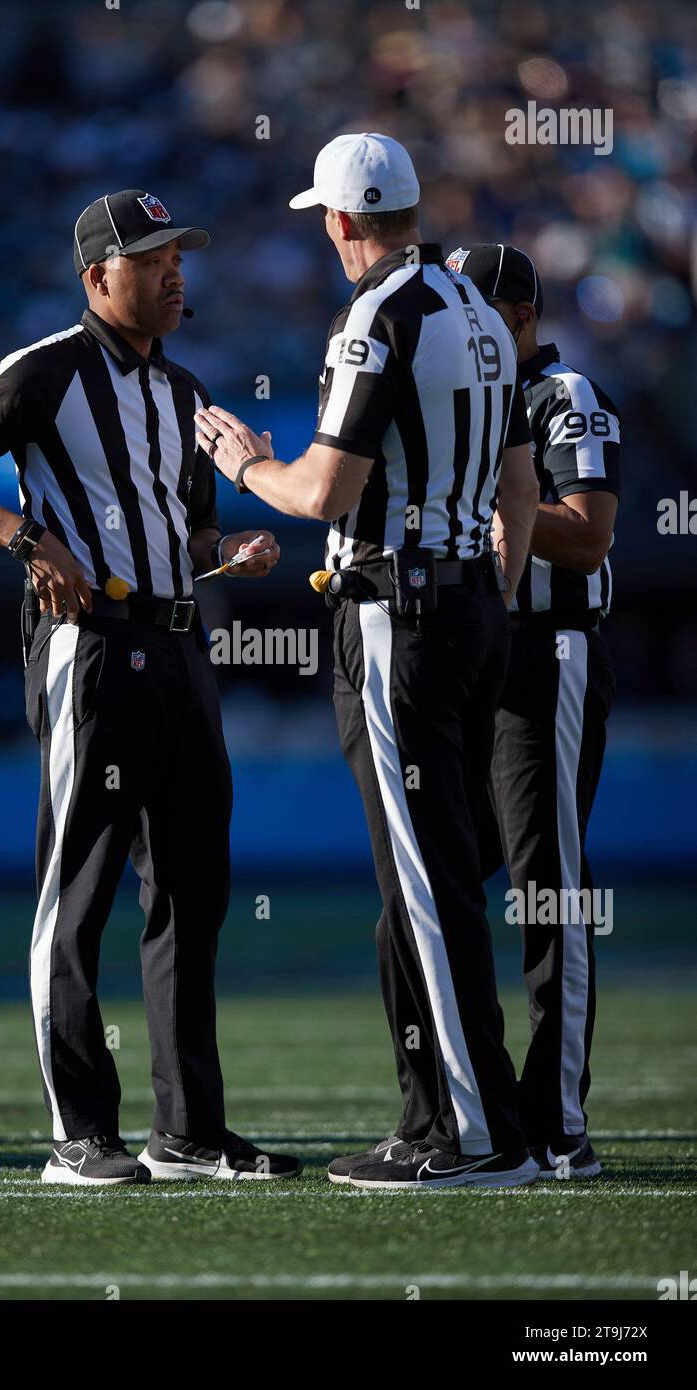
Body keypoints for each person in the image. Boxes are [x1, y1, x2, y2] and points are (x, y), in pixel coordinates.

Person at [0, 188, 300, 1186]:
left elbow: (186, 533)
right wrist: (24, 538)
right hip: (91, 650)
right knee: (78, 890)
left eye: (178, 255)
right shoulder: (43, 373)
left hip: (179, 647)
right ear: (96, 276)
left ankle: (188, 1131)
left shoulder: (182, 392)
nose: (174, 271)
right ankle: (80, 1133)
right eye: (152, 255)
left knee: (192, 892)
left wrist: (229, 550)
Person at [195, 134, 541, 1189]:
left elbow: (322, 495)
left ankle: (477, 1137)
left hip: (400, 617)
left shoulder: (377, 315)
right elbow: (518, 481)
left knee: (427, 885)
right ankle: (433, 1117)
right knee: (420, 882)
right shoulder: (476, 303)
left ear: (341, 221)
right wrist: (498, 591)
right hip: (467, 605)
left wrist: (242, 461)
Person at [446, 243, 620, 1179]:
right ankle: (465, 1107)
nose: (464, 327)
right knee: (438, 880)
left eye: (479, 310)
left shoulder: (565, 396)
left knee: (549, 884)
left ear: (518, 316)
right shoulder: (470, 401)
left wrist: (497, 501)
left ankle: (558, 1121)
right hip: (476, 657)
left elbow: (589, 535)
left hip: (551, 656)